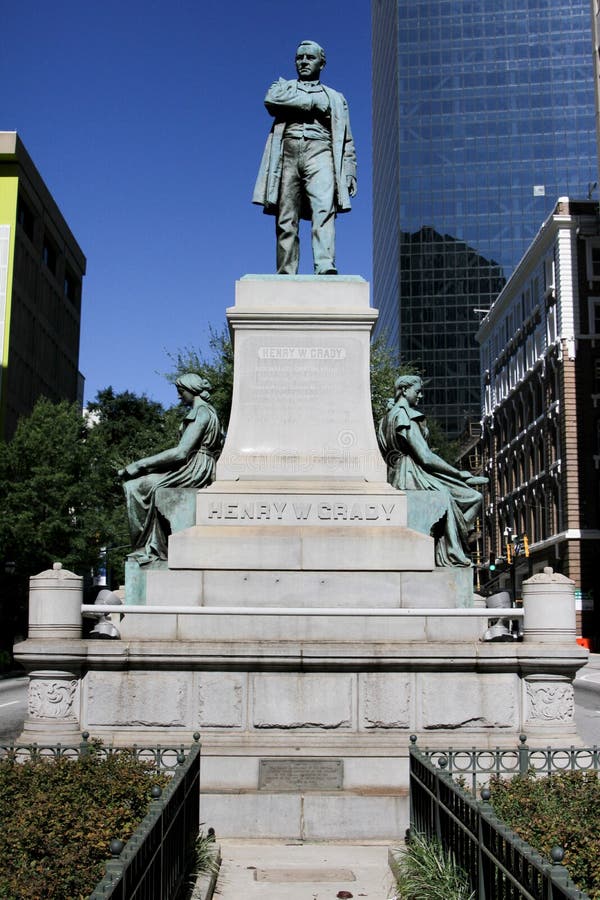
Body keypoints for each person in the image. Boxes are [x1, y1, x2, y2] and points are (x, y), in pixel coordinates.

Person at [253, 40, 357, 275]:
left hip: (321, 152)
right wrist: (311, 103)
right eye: (300, 58)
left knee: (324, 209)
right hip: (287, 153)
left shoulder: (335, 97)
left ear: (322, 63)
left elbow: (347, 139)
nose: (304, 62)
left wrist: (350, 171)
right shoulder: (284, 87)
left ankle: (325, 264)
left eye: (310, 57)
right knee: (286, 215)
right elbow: (271, 100)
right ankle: (286, 270)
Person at [377, 375, 487, 567]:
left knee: (474, 497)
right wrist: (459, 474)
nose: (420, 396)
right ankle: (452, 549)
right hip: (411, 475)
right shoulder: (403, 415)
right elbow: (425, 456)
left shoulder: (386, 418)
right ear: (404, 390)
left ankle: (453, 538)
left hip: (402, 472)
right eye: (418, 391)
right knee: (452, 498)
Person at [119, 374, 222, 564]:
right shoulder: (210, 412)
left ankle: (148, 549)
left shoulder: (201, 413)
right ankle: (151, 546)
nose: (179, 396)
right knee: (143, 482)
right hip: (197, 464)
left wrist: (139, 464)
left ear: (192, 390)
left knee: (136, 487)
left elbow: (181, 452)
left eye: (181, 391)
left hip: (194, 467)